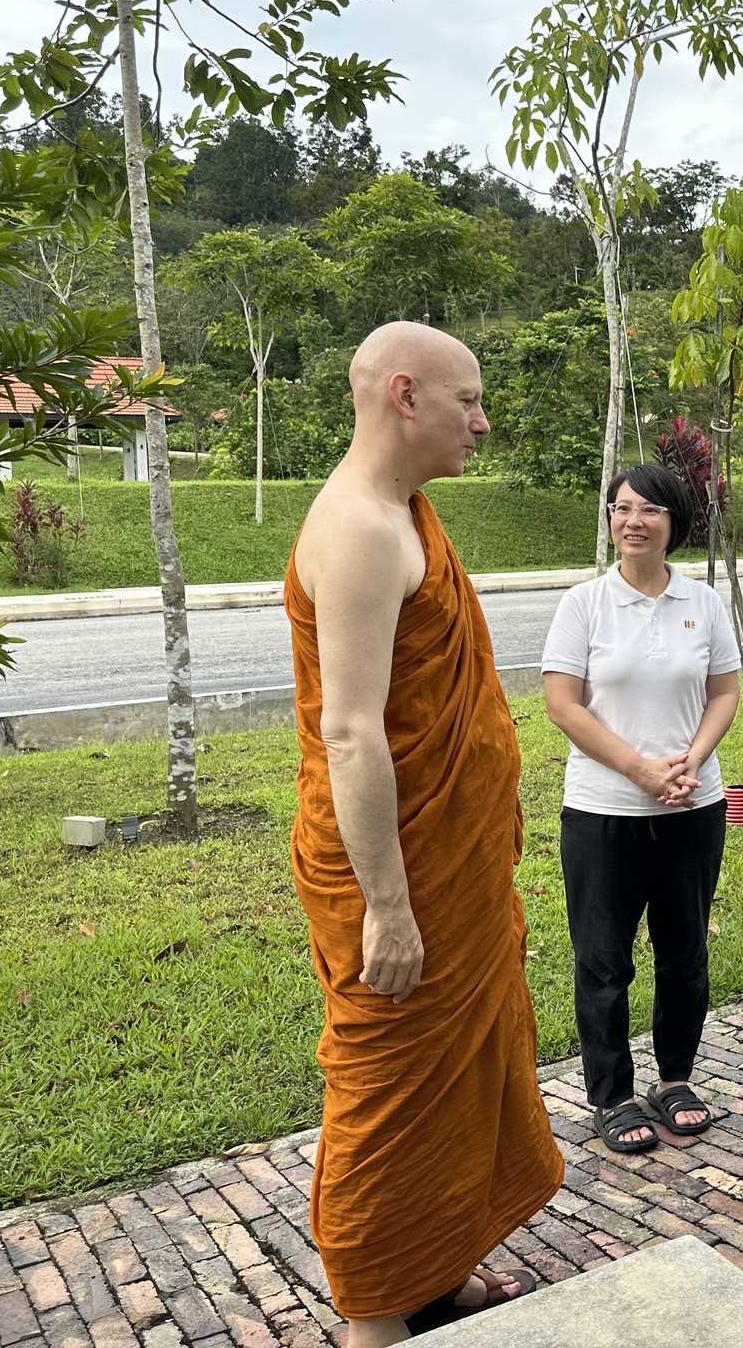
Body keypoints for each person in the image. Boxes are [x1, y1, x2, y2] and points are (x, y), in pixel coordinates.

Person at [285, 321, 564, 1348]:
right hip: (393, 873)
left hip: (450, 858)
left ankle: (434, 1271)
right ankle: (371, 1313)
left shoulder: (405, 513)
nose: (482, 423)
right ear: (406, 394)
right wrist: (389, 909)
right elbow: (352, 731)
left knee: (463, 1072)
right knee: (389, 1086)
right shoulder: (359, 525)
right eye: (469, 402)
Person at [541, 465, 741, 1156]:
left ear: (674, 522)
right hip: (603, 811)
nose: (634, 520)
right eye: (622, 508)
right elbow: (563, 704)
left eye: (650, 509)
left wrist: (691, 760)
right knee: (603, 960)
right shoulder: (584, 604)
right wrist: (638, 769)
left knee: (684, 953)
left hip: (693, 806)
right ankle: (612, 1094)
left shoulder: (703, 603)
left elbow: (724, 692)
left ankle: (675, 1079)